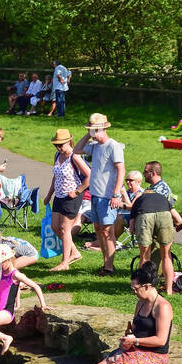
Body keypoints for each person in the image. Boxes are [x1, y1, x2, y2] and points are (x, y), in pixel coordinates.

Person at [75, 113, 125, 275]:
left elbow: (121, 170)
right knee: (98, 228)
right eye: (92, 130)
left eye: (95, 130)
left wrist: (116, 194)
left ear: (103, 128)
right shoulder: (95, 146)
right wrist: (87, 133)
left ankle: (109, 267)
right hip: (96, 194)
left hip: (108, 196)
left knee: (107, 231)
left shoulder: (113, 146)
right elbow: (77, 150)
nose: (93, 133)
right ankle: (105, 263)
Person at [129, 161, 182, 292]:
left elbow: (132, 226)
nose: (143, 174)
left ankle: (143, 288)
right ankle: (169, 290)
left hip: (145, 217)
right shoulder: (158, 193)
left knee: (144, 256)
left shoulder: (147, 195)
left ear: (152, 173)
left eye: (145, 171)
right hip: (165, 216)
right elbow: (178, 219)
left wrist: (134, 231)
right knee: (167, 255)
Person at [44, 128, 91, 272]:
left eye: (60, 145)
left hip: (72, 197)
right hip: (58, 196)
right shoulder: (57, 155)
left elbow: (89, 176)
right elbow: (55, 177)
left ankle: (64, 262)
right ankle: (75, 252)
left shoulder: (74, 157)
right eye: (56, 145)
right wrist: (49, 194)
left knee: (65, 229)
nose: (58, 147)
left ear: (69, 142)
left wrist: (77, 191)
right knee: (55, 226)